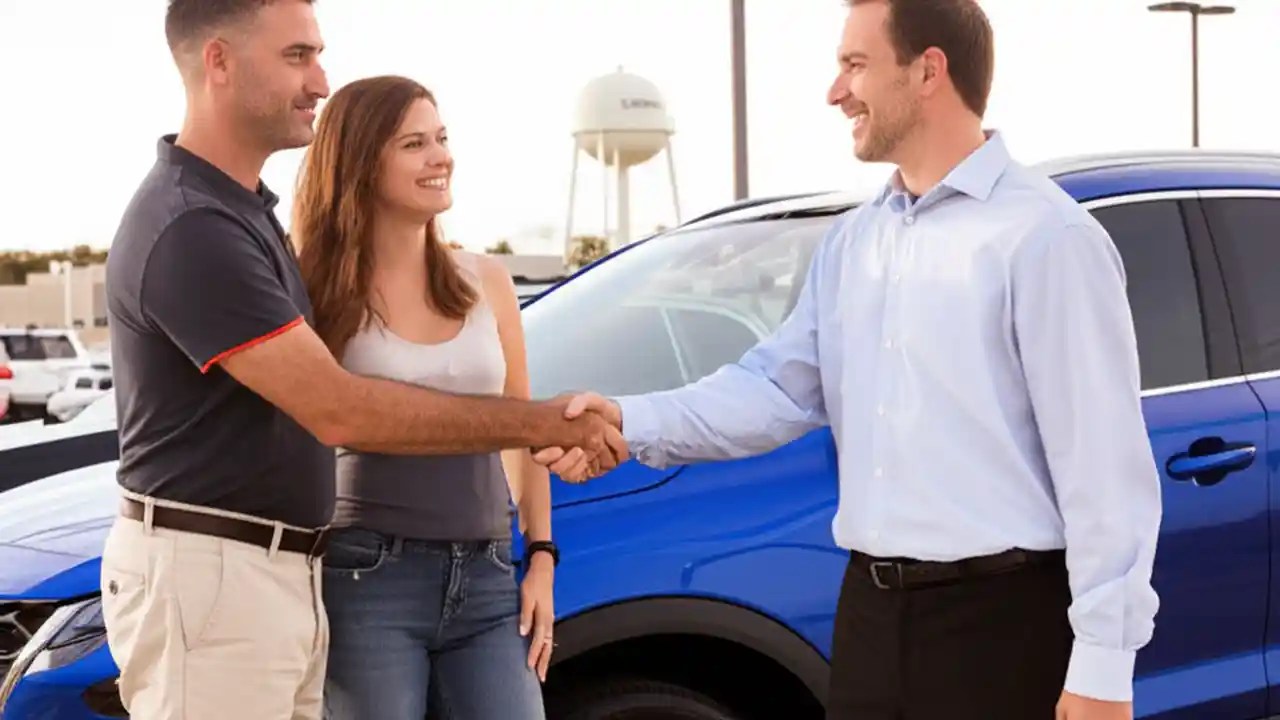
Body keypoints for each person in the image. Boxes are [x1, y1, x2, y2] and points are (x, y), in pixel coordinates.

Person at [537, 0, 1161, 718]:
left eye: (855, 65)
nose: (836, 92)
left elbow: (1105, 473)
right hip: (868, 617)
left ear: (929, 71)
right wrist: (627, 418)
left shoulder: (1047, 237)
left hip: (1001, 626)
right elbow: (771, 390)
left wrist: (1104, 670)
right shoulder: (854, 243)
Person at [100, 2, 624, 719]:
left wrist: (540, 550)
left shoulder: (245, 217)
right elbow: (338, 408)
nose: (320, 80)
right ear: (218, 61)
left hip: (283, 577)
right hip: (236, 579)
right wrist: (543, 422)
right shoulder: (196, 227)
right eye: (297, 57)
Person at [289, 75, 552, 719]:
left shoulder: (485, 279)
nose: (441, 157)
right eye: (414, 143)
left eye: (441, 137)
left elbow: (524, 428)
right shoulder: (310, 287)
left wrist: (540, 557)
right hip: (365, 578)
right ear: (359, 161)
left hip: (490, 577)